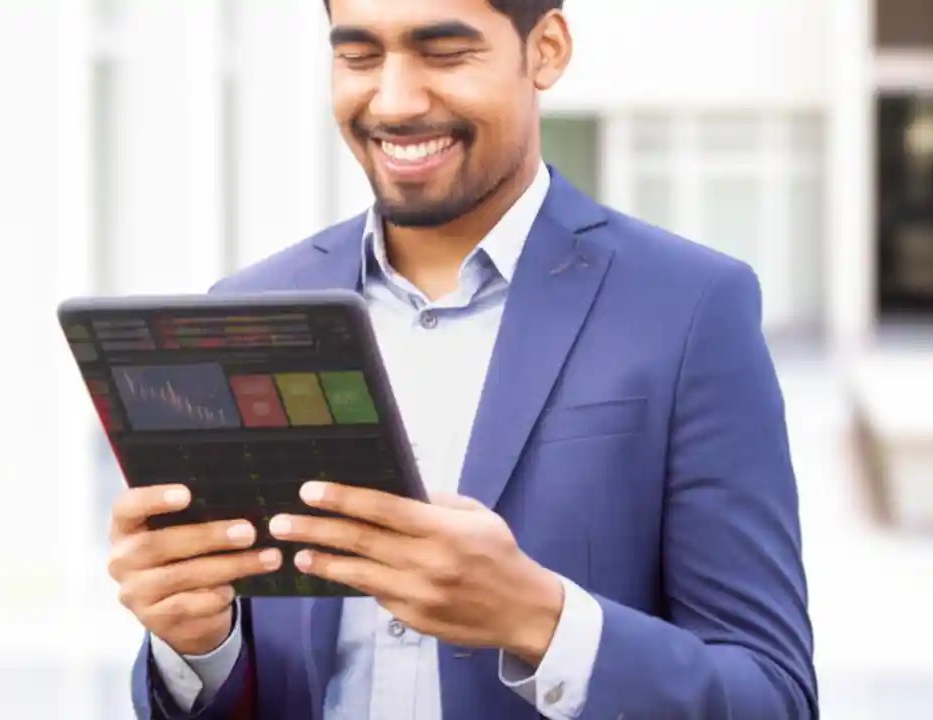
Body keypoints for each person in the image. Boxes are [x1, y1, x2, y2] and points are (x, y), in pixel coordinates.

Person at [107, 0, 817, 717]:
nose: (395, 99)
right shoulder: (250, 308)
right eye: (358, 56)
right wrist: (196, 646)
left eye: (444, 53)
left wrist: (540, 618)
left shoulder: (689, 309)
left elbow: (772, 694)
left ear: (546, 49)